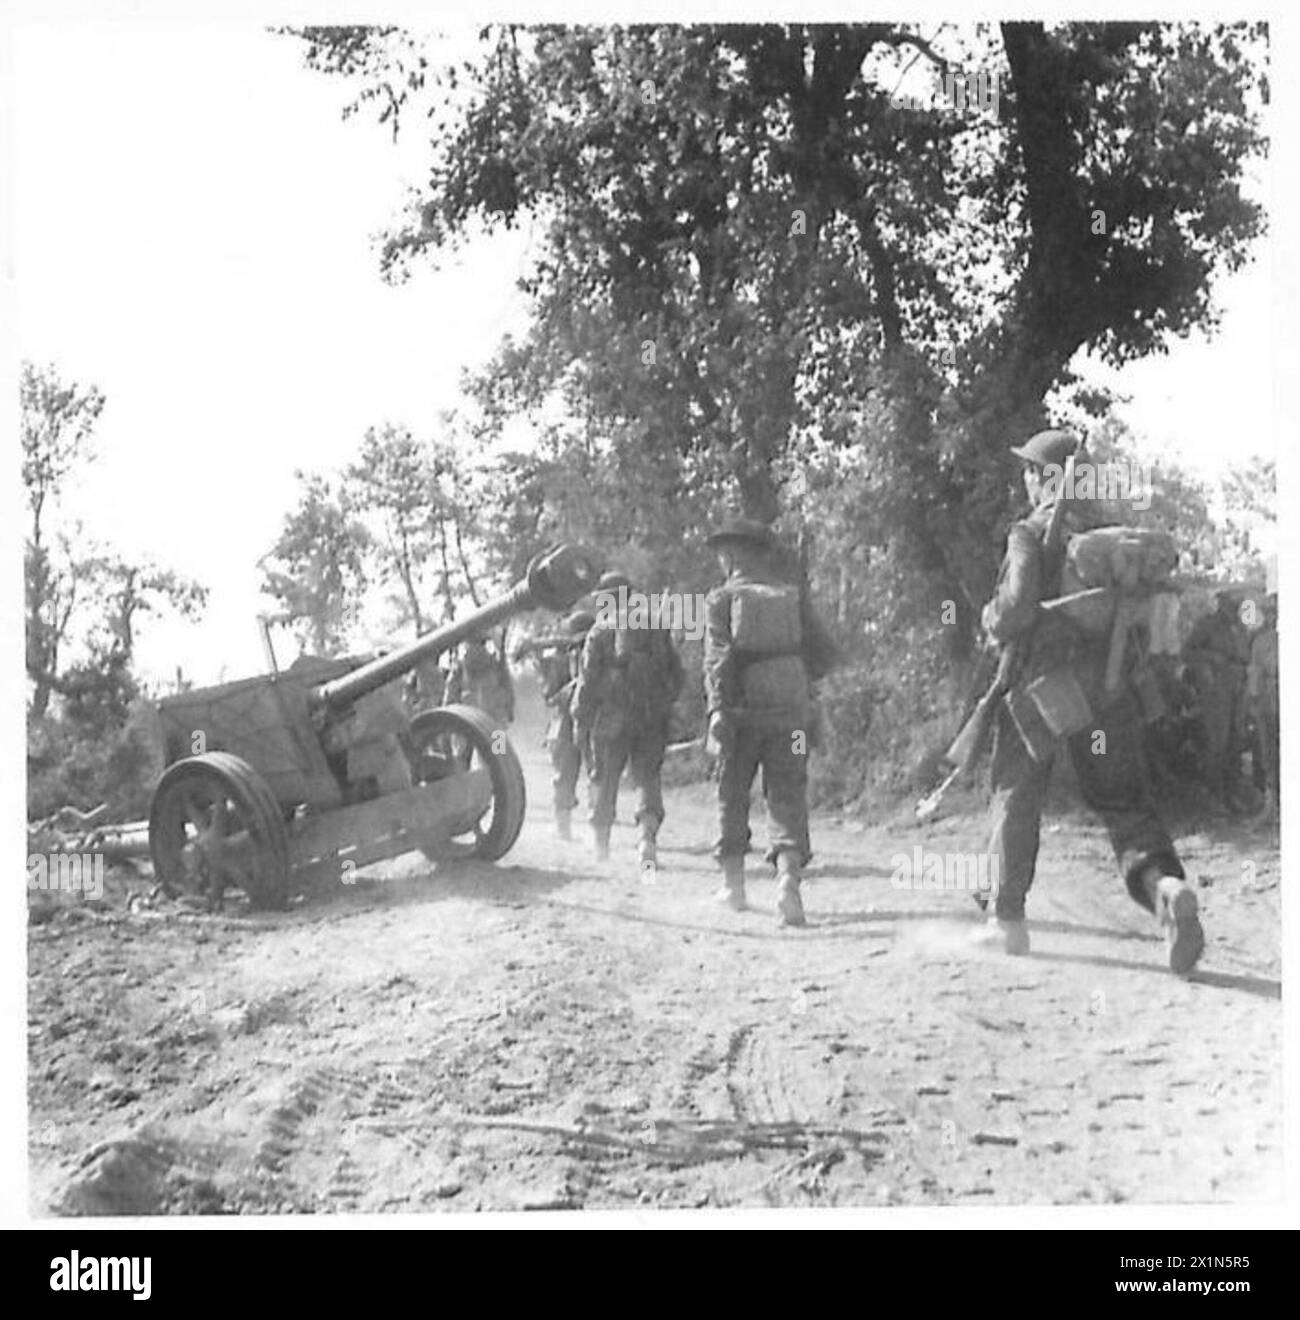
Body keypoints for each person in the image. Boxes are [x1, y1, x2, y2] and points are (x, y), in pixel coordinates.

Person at [977, 428, 1204, 973]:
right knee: (1123, 801)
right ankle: (1166, 888)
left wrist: (988, 618)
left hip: (1045, 691)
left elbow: (1015, 612)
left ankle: (1006, 920)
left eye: (1031, 471)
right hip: (1109, 692)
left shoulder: (1030, 533)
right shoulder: (1107, 539)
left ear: (1041, 478)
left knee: (1017, 789)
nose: (1027, 479)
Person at [702, 519, 838, 926]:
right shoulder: (791, 596)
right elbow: (824, 654)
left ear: (733, 555)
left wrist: (716, 712)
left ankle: (734, 888)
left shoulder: (722, 599)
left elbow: (717, 660)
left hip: (742, 714)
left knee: (732, 790)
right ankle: (788, 883)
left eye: (724, 553)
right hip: (793, 719)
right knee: (788, 792)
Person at [572, 572, 684, 872]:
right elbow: (677, 673)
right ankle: (647, 839)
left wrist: (580, 717)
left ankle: (601, 847)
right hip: (650, 717)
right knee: (648, 777)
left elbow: (588, 679)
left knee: (605, 778)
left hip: (611, 718)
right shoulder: (655, 624)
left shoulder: (600, 630)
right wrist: (663, 703)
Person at [516, 611, 595, 839]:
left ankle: (564, 827)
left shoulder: (562, 659)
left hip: (566, 722)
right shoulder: (600, 654)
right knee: (596, 774)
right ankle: (599, 829)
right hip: (592, 722)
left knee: (565, 775)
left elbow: (549, 694)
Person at [1183, 590, 1254, 812]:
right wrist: (1211, 658)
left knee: (1236, 742)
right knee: (1217, 743)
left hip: (1238, 688)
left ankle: (1233, 795)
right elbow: (1187, 652)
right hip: (1216, 690)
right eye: (1231, 602)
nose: (1234, 606)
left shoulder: (1242, 627)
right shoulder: (1208, 625)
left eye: (1238, 602)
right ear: (1221, 603)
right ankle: (1214, 796)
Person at [1246, 593, 1279, 819]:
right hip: (1269, 697)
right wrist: (1255, 702)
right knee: (1268, 752)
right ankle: (1271, 803)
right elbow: (1255, 672)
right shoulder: (1262, 641)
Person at [446, 634, 515, 727]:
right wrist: (509, 713)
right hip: (495, 722)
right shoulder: (497, 665)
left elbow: (450, 697)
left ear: (467, 644)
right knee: (499, 741)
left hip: (468, 725)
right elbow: (508, 690)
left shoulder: (459, 668)